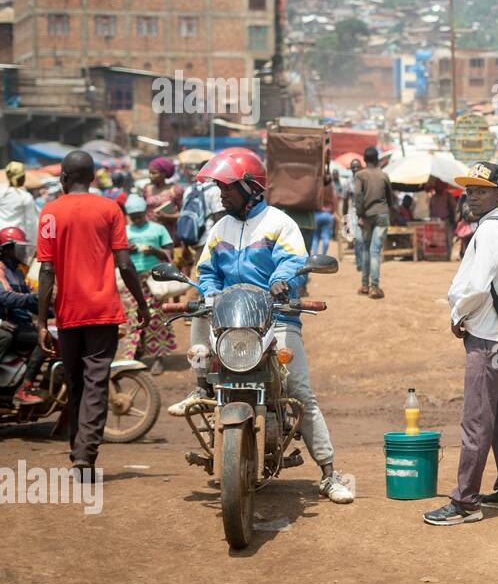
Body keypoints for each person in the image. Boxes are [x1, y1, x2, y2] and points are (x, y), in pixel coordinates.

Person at [177, 147, 354, 504]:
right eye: (220, 188)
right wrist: (208, 293)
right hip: (230, 319)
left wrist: (282, 281)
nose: (221, 194)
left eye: (227, 187)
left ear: (249, 187)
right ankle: (200, 386)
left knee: (300, 393)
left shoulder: (279, 223)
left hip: (276, 316)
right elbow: (207, 272)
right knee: (197, 310)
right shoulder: (220, 228)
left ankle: (328, 472)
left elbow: (292, 260)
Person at [36, 151, 149, 478]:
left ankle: (78, 452)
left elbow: (46, 271)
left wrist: (43, 322)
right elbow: (125, 264)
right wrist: (140, 302)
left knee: (76, 384)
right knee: (95, 383)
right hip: (103, 312)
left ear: (63, 177)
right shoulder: (110, 208)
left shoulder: (50, 212)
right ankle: (84, 454)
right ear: (94, 176)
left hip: (68, 314)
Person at [425, 162, 498, 526]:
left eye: (481, 189)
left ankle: (466, 501)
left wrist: (457, 316)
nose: (473, 195)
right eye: (470, 189)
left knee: (476, 420)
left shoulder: (493, 232)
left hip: (486, 336)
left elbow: (477, 286)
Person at [122, 195, 177, 375]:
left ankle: (159, 356)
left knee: (157, 317)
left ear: (145, 212)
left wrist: (155, 251)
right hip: (132, 281)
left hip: (154, 280)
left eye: (139, 215)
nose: (137, 219)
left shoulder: (158, 229)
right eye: (133, 216)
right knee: (132, 318)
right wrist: (125, 252)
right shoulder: (124, 231)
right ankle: (135, 355)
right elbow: (116, 259)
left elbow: (170, 255)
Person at [0, 227, 45, 406]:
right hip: (7, 324)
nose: (22, 252)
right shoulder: (1, 270)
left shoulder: (18, 272)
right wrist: (31, 298)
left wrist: (53, 309)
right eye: (17, 248)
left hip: (20, 323)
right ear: (6, 249)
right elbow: (4, 297)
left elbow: (30, 303)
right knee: (43, 340)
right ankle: (24, 389)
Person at [353, 146, 396, 300]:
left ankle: (365, 285)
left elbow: (357, 196)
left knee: (366, 249)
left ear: (364, 160)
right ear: (377, 159)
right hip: (382, 214)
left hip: (367, 215)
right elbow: (391, 198)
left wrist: (359, 214)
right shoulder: (384, 175)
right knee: (375, 251)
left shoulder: (360, 175)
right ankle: (374, 287)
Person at [142, 156, 184, 238]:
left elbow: (183, 213)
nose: (150, 176)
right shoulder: (147, 189)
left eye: (154, 173)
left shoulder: (175, 190)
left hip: (168, 234)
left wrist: (166, 217)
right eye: (149, 172)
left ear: (164, 174)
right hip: (149, 233)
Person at [0, 162, 39, 243]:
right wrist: (33, 244)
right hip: (19, 242)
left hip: (1, 239)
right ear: (22, 177)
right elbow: (31, 223)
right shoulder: (25, 197)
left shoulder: (1, 193)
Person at [311, 176, 336, 256]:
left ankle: (314, 254)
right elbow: (335, 204)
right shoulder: (331, 191)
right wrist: (332, 212)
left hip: (317, 215)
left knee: (316, 237)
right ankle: (324, 255)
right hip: (328, 216)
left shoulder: (317, 191)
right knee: (326, 237)